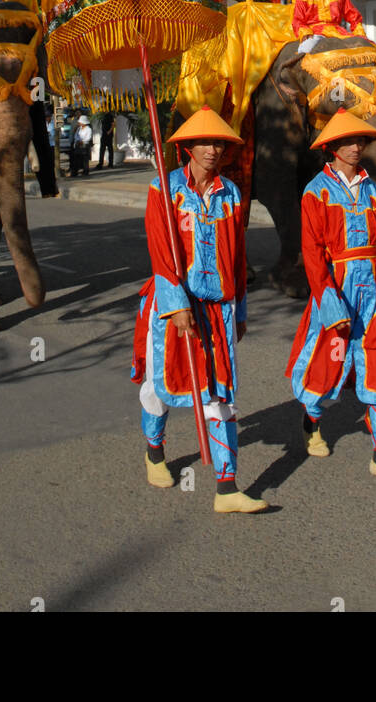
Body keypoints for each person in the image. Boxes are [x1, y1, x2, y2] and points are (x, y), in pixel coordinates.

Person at [131, 105, 267, 514]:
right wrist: (176, 306)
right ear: (187, 147)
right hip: (174, 307)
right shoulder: (164, 189)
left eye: (219, 143)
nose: (212, 149)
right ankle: (155, 451)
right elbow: (161, 252)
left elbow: (238, 256)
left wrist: (240, 310)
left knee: (220, 392)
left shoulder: (231, 195)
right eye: (204, 142)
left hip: (219, 308)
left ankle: (227, 487)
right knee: (163, 383)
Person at [287, 108, 376, 483]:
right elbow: (313, 255)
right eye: (347, 140)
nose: (356, 146)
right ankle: (311, 420)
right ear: (331, 146)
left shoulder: (372, 189)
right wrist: (329, 302)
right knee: (329, 364)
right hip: (337, 284)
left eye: (360, 140)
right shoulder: (316, 191)